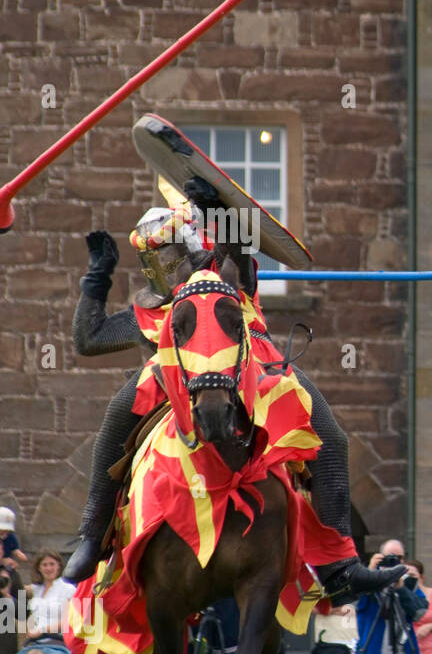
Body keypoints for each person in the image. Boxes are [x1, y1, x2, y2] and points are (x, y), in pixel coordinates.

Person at [59, 151, 405, 604]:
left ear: (185, 247)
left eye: (166, 252)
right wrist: (96, 279)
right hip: (172, 381)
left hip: (249, 370)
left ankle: (339, 565)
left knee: (331, 439)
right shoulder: (152, 307)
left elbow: (239, 249)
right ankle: (92, 535)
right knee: (115, 418)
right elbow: (90, 338)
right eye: (151, 257)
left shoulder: (226, 276)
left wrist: (215, 213)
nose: (159, 265)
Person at [25, 550, 75, 641]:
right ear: (39, 568)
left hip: (57, 638)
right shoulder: (35, 589)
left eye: (52, 564)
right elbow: (15, 587)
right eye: (44, 565)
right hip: (34, 639)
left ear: (59, 566)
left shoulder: (68, 589)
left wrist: (42, 630)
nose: (48, 568)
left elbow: (67, 621)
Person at [0, 506, 27, 574]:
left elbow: (15, 549)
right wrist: (2, 561)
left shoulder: (10, 537)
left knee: (13, 574)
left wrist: (19, 554)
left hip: (7, 566)